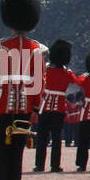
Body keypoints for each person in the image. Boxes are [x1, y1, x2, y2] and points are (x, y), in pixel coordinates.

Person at [0, 0, 47, 180]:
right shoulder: (38, 49)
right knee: (18, 148)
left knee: (1, 148)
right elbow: (39, 82)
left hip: (3, 104)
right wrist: (36, 106)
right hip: (26, 105)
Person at [34, 38, 74, 173]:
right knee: (56, 138)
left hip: (45, 106)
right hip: (59, 107)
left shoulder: (46, 69)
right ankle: (55, 165)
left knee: (42, 137)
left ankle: (39, 165)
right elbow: (80, 81)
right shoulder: (67, 73)